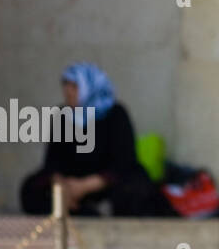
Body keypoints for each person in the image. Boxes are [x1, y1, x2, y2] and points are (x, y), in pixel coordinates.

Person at [19, 63, 174, 217]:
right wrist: (62, 187)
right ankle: (84, 212)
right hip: (72, 185)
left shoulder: (115, 113)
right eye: (65, 86)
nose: (68, 92)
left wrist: (86, 186)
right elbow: (52, 162)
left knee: (134, 189)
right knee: (31, 189)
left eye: (74, 86)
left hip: (106, 182)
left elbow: (124, 161)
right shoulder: (62, 115)